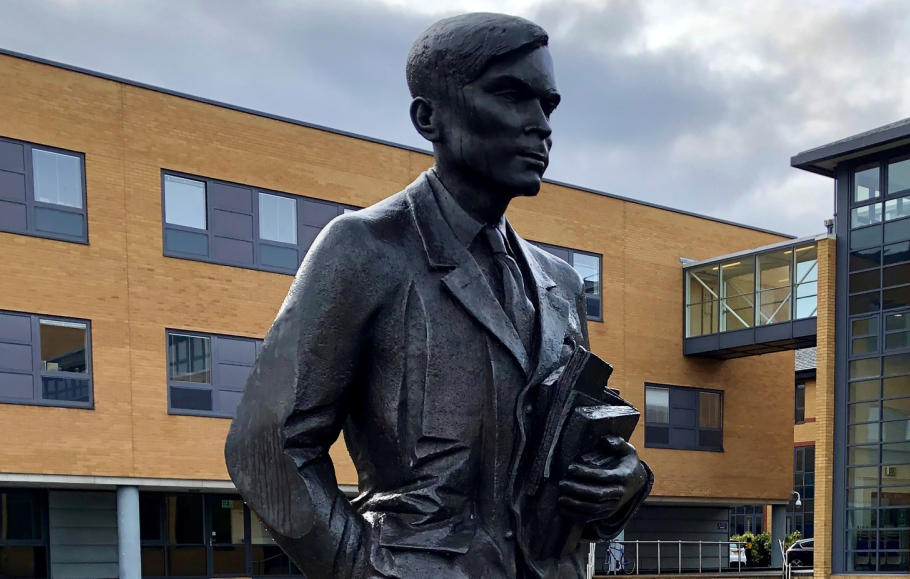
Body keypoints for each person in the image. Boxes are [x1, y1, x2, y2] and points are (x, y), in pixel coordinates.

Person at [225, 12, 652, 578]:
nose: (540, 125)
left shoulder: (561, 284)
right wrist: (363, 570)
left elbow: (564, 444)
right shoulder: (364, 248)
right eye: (511, 95)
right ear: (429, 118)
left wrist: (624, 482)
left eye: (547, 106)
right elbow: (266, 447)